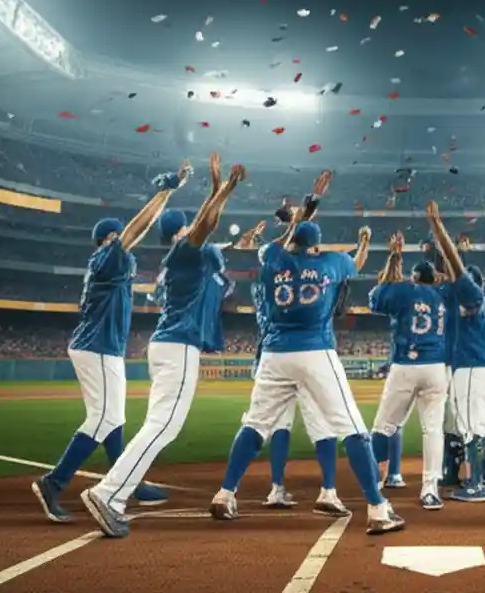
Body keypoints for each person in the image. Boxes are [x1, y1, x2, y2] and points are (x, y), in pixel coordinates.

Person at [208, 208, 404, 535]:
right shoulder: (329, 262)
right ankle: (377, 508)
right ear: (316, 245)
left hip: (273, 353)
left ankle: (225, 493)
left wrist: (294, 223)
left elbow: (272, 248)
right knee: (353, 428)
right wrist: (365, 240)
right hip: (315, 350)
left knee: (255, 425)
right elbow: (358, 261)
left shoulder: (272, 258)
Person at [80, 158, 244, 538]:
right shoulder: (186, 249)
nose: (194, 227)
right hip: (179, 345)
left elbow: (204, 223)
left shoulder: (180, 255)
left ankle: (113, 494)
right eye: (188, 225)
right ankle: (109, 494)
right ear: (178, 231)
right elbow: (206, 224)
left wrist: (216, 189)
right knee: (163, 426)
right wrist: (224, 191)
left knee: (160, 425)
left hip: (168, 344)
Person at [32, 160, 191, 523]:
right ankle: (53, 483)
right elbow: (138, 227)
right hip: (97, 346)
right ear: (109, 239)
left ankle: (129, 483)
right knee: (103, 418)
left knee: (115, 420)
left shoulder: (109, 261)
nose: (127, 241)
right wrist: (164, 192)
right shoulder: (107, 256)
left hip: (105, 347)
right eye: (119, 236)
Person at [367, 231, 451, 511]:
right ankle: (430, 489)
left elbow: (376, 297)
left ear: (413, 277)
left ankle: (375, 486)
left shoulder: (404, 289)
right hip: (437, 367)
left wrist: (395, 257)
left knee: (383, 427)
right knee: (432, 429)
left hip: (406, 365)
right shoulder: (442, 296)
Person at [424, 200, 485, 503]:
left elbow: (454, 269)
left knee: (472, 425)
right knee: (469, 423)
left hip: (472, 365)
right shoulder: (462, 296)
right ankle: (481, 476)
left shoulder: (471, 293)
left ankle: (477, 483)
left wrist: (440, 230)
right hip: (470, 365)